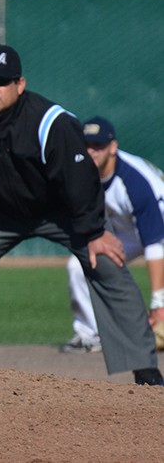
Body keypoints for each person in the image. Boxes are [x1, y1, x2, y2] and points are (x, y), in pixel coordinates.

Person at [0, 44, 163, 385]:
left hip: (60, 212)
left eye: (0, 80)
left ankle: (144, 369)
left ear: (20, 84)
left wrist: (92, 232)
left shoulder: (50, 122)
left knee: (105, 261)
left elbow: (80, 179)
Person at [60, 116, 164, 353]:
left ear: (113, 147)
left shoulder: (135, 182)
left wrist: (158, 302)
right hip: (130, 232)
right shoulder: (81, 172)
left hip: (158, 230)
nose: (91, 151)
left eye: (98, 146)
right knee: (78, 265)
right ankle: (90, 335)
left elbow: (155, 245)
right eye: (86, 145)